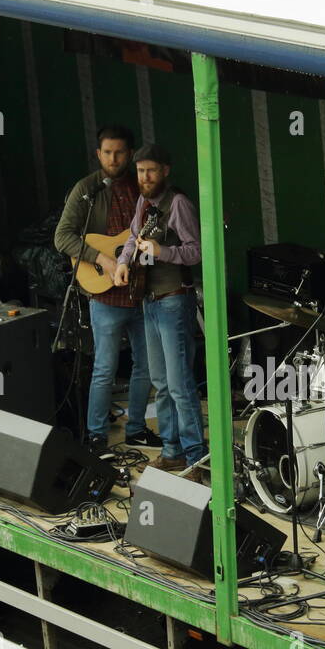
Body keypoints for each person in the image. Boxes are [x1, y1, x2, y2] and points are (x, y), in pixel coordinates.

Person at [54, 124, 161, 451]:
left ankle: (137, 428)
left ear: (130, 154)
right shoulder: (86, 189)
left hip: (143, 292)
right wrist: (103, 259)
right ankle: (97, 434)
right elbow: (62, 237)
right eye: (107, 152)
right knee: (105, 366)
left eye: (119, 152)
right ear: (98, 153)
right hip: (104, 294)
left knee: (146, 365)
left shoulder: (143, 187)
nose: (113, 158)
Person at [115, 144, 206, 477]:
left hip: (173, 298)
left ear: (165, 171)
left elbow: (197, 252)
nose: (145, 177)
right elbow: (132, 238)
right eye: (140, 171)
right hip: (149, 300)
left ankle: (196, 455)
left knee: (180, 382)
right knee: (161, 381)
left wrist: (163, 252)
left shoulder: (178, 203)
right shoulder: (143, 202)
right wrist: (124, 262)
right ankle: (172, 451)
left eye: (151, 171)